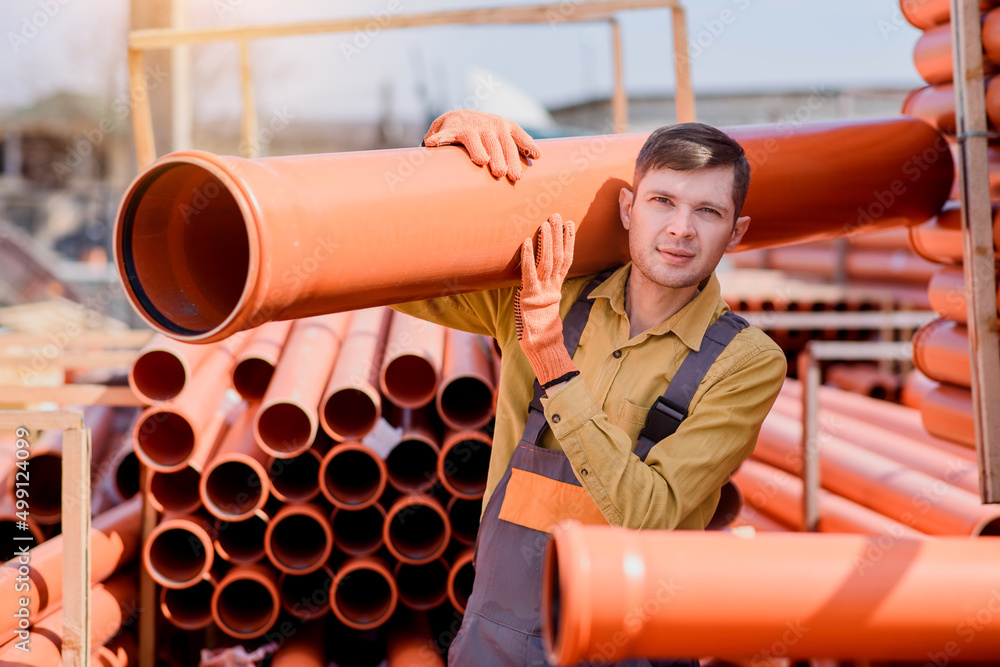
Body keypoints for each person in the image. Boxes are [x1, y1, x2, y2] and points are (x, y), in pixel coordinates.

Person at [393, 110, 787, 666]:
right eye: (662, 201)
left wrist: (552, 359)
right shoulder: (545, 290)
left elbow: (649, 513)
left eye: (708, 211)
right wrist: (443, 159)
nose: (681, 228)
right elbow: (396, 275)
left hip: (638, 644)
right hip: (498, 637)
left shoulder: (746, 362)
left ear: (736, 232)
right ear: (628, 208)